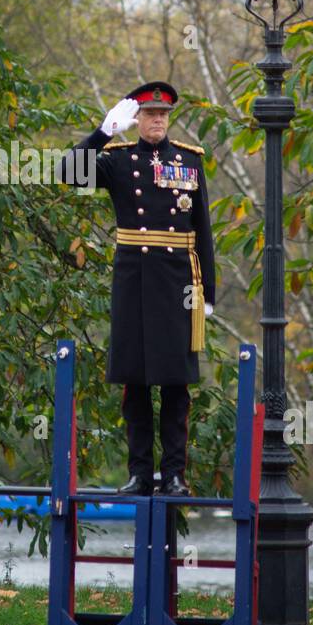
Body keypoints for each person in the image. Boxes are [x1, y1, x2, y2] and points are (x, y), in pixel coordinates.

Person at [56, 82, 216, 496]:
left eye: (163, 114)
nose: (157, 121)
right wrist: (102, 132)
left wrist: (208, 293)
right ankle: (140, 473)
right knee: (137, 383)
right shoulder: (118, 159)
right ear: (137, 119)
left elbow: (203, 230)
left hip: (178, 282)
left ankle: (175, 474)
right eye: (149, 115)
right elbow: (67, 173)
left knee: (176, 383)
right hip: (134, 281)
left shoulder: (189, 161)